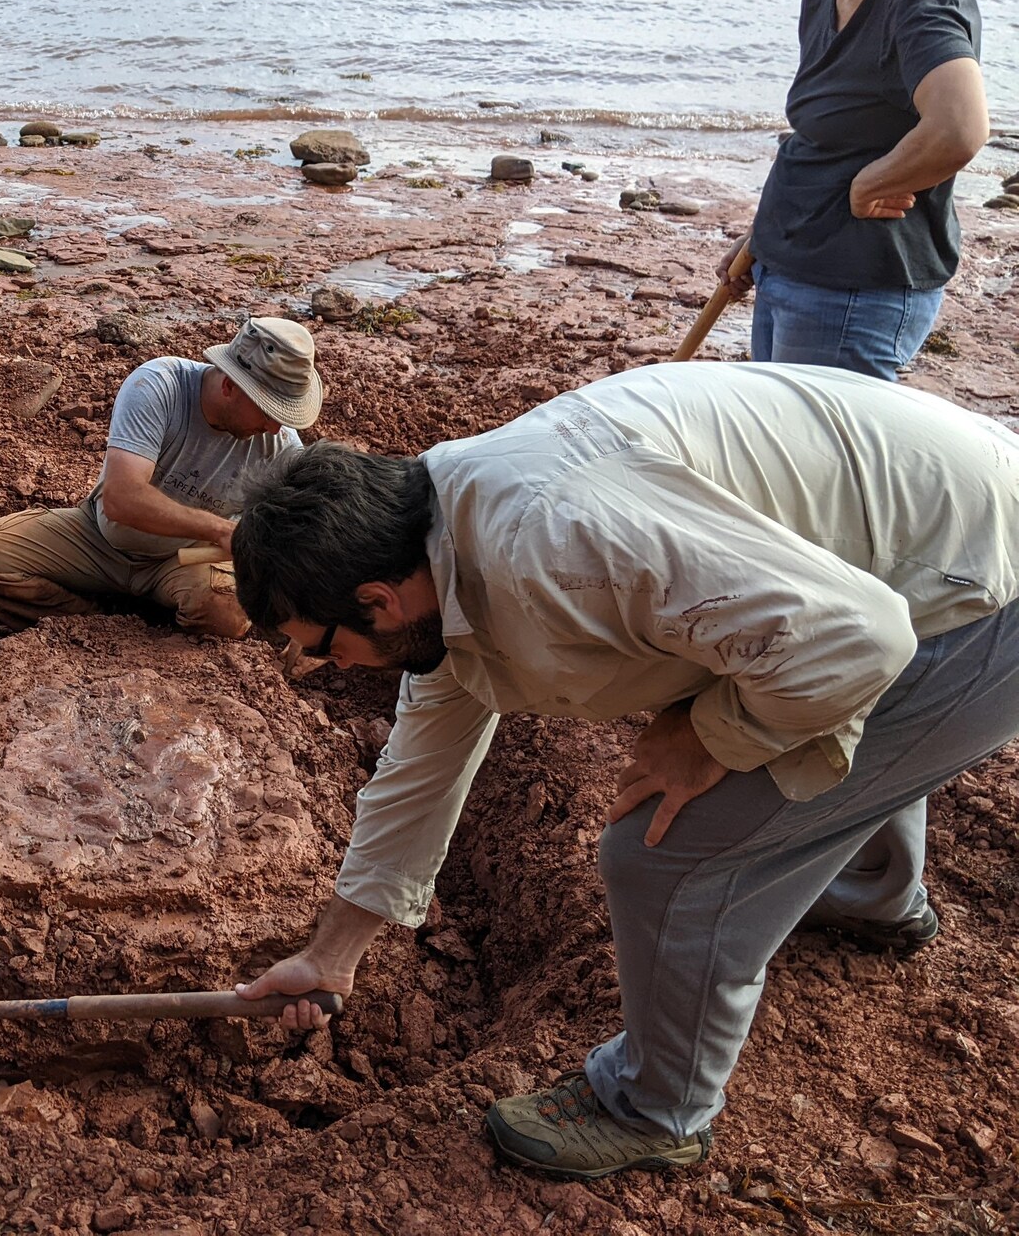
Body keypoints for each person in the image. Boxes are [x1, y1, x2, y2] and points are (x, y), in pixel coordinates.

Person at [228, 363, 1019, 1179]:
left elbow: (860, 640)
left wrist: (710, 735)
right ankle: (872, 896)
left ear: (378, 601)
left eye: (326, 646)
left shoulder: (555, 543)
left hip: (975, 591)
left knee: (663, 856)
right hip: (907, 543)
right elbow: (417, 777)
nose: (328, 665)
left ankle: (653, 1110)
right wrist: (333, 953)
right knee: (773, 679)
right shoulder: (437, 544)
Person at [716, 0, 989, 378]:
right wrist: (767, 235)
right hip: (794, 264)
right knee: (778, 431)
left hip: (853, 291)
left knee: (810, 440)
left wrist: (871, 184)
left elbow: (959, 128)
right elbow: (831, 134)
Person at [0, 317, 322, 639]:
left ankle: (147, 630)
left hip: (184, 560)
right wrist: (221, 530)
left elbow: (311, 528)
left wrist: (321, 617)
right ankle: (98, 624)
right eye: (268, 411)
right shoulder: (160, 386)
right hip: (98, 539)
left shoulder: (280, 445)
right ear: (229, 386)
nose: (275, 426)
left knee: (224, 611)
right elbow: (122, 499)